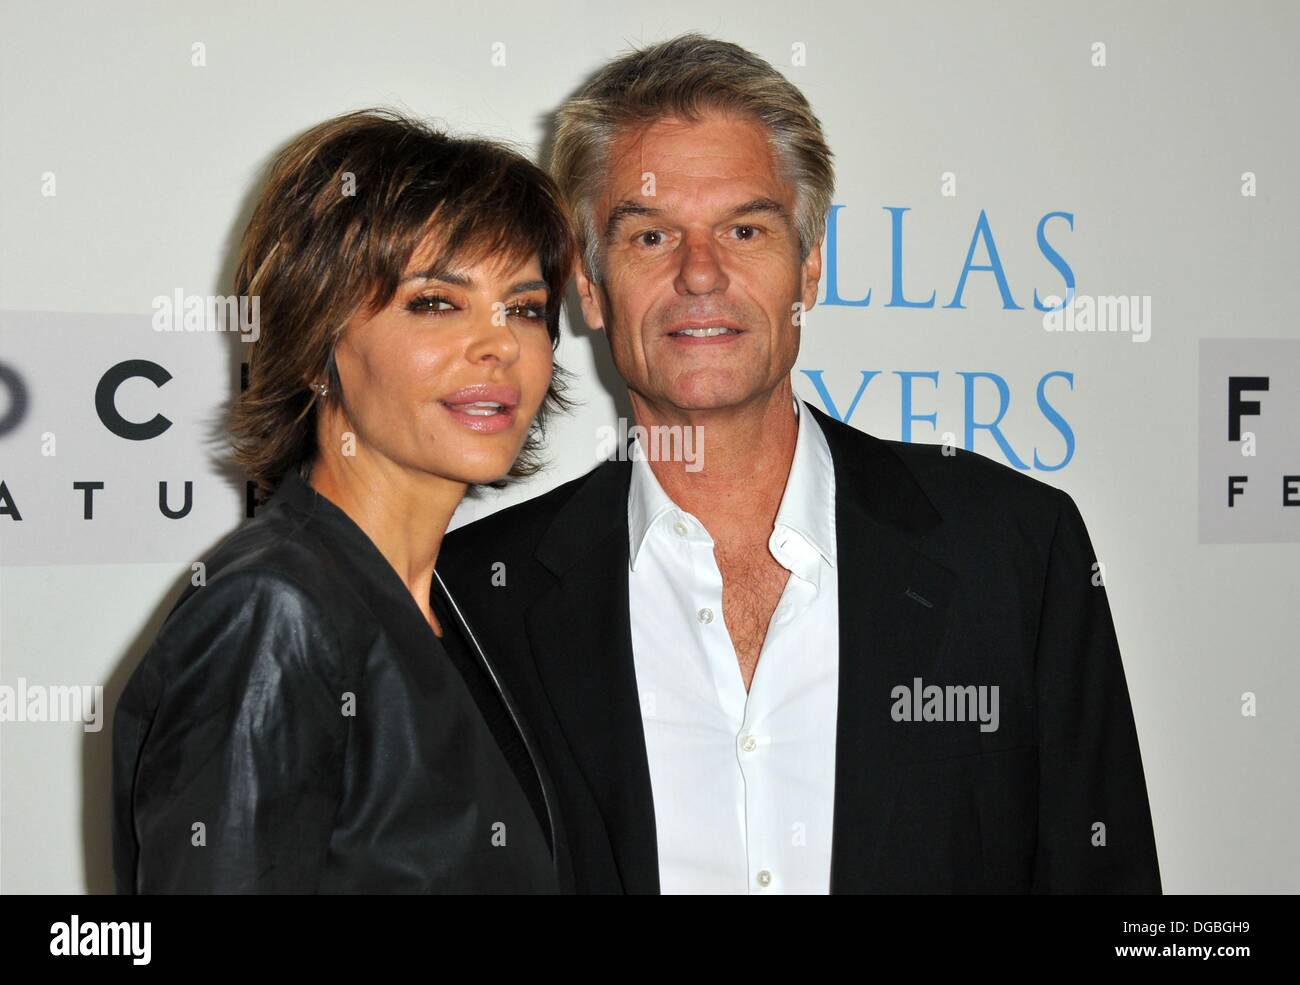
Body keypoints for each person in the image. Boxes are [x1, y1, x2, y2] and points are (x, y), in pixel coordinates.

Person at [437, 34, 1162, 893]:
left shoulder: (1015, 552)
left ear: (808, 267)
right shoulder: (474, 599)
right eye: (651, 236)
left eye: (745, 229)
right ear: (590, 290)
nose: (700, 274)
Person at [112, 108, 577, 893]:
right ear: (313, 344)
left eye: (525, 308)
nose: (499, 343)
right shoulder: (273, 610)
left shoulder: (452, 607)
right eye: (435, 302)